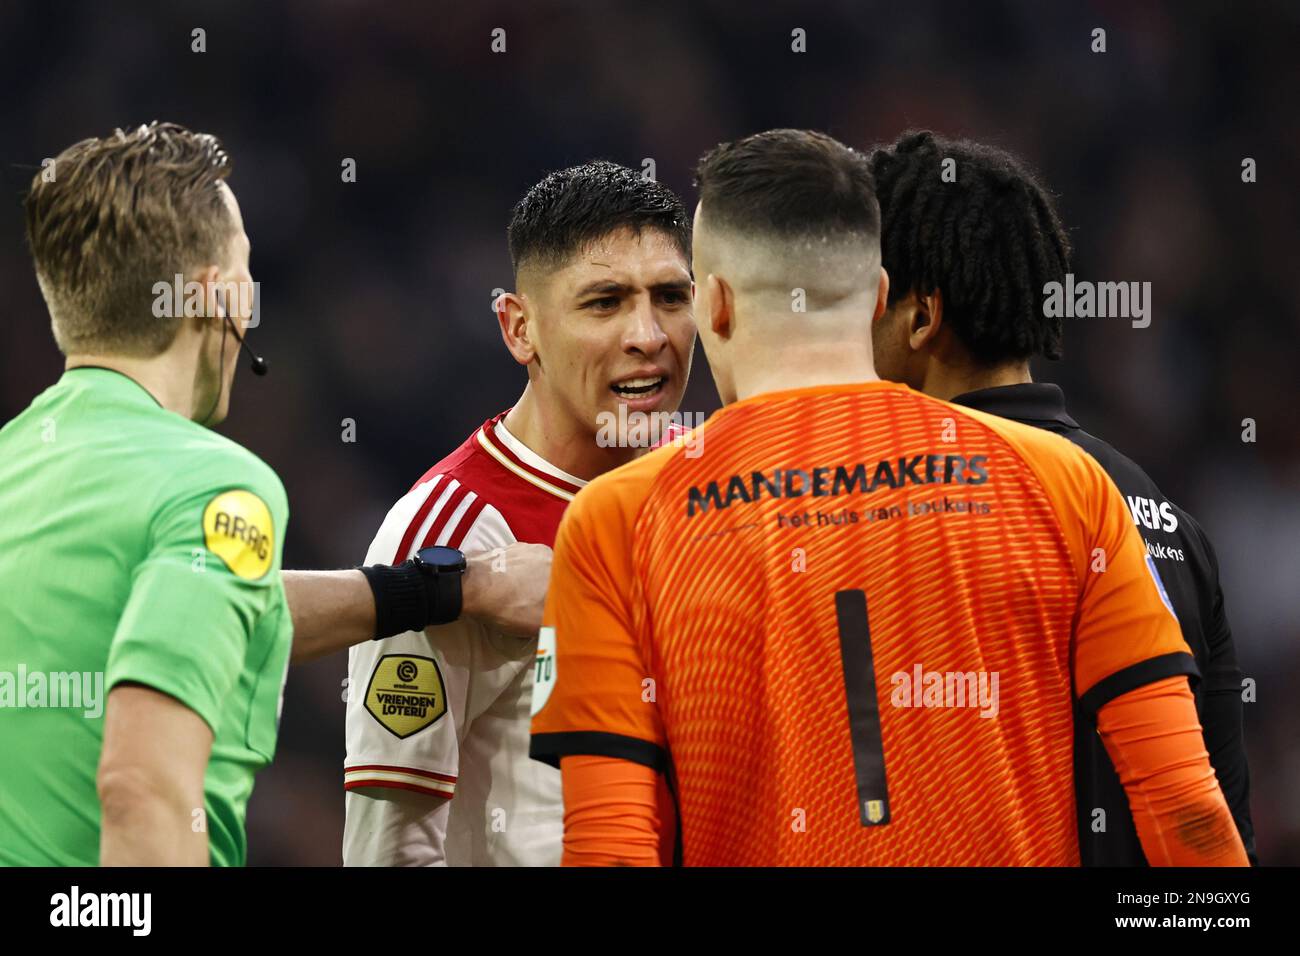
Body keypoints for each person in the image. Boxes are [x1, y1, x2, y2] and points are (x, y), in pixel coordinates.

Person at [529, 129, 1249, 866]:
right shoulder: (1061, 481)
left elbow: (611, 849)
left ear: (714, 303)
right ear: (876, 293)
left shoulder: (617, 520)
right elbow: (1187, 809)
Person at [0, 122, 545, 867]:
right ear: (215, 295)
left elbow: (214, 609)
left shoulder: (20, 466)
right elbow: (140, 789)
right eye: (246, 275)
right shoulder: (212, 484)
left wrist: (445, 590)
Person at [866, 129, 1255, 864]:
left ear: (919, 317)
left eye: (865, 300)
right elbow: (1224, 829)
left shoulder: (902, 514)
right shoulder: (1172, 520)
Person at [343, 161, 695, 865]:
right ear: (519, 328)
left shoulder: (711, 486)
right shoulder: (451, 537)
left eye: (669, 296)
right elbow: (388, 853)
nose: (649, 334)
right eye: (605, 303)